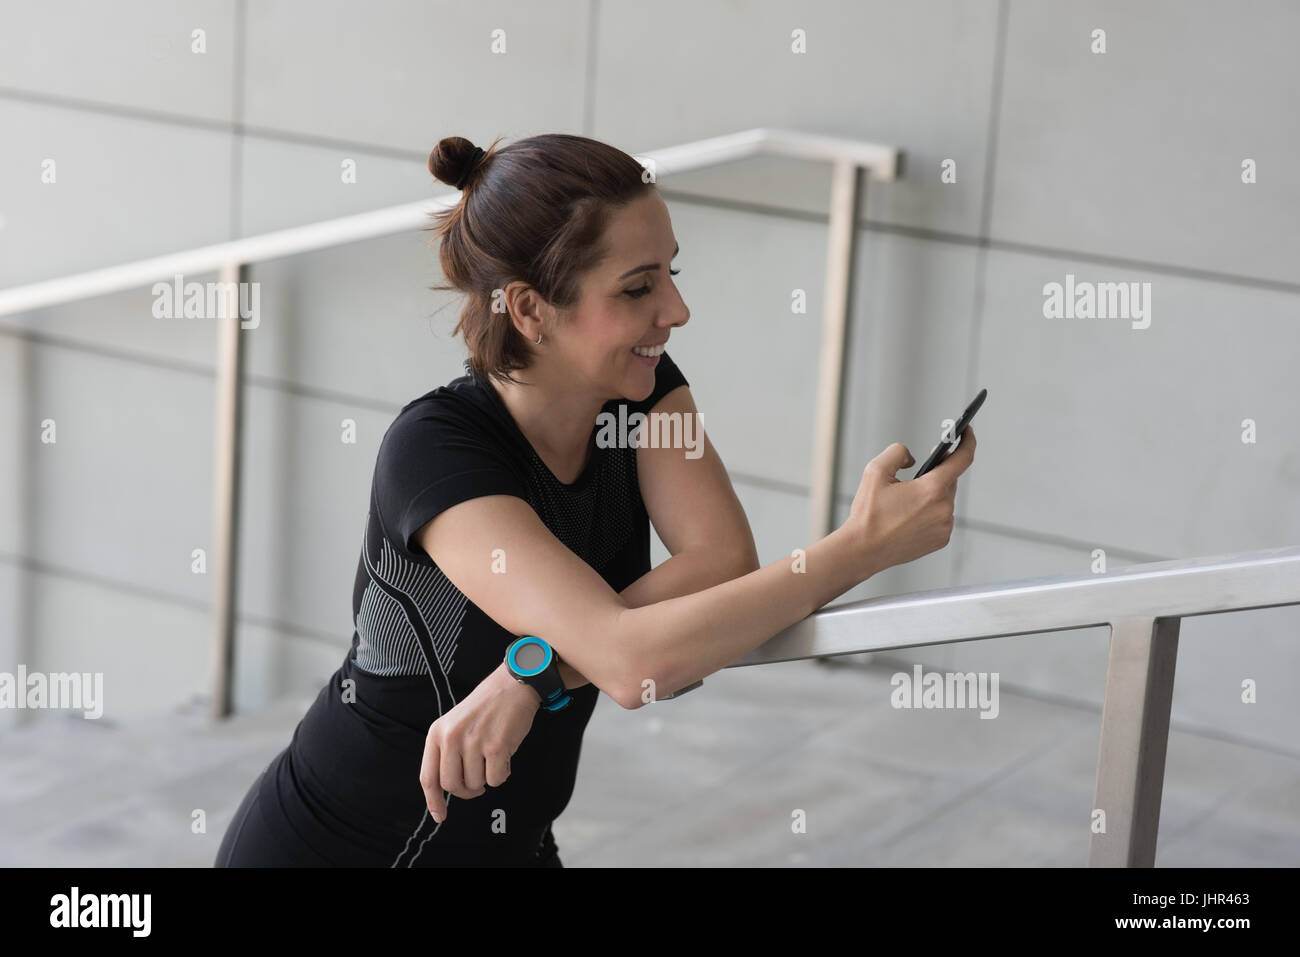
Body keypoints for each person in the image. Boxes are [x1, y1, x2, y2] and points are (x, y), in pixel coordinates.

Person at [215, 132, 975, 868]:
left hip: (513, 838)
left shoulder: (642, 389)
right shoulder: (435, 452)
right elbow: (633, 658)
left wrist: (532, 671)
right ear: (529, 309)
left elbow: (721, 563)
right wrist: (863, 547)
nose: (675, 310)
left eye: (672, 274)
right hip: (346, 846)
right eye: (638, 287)